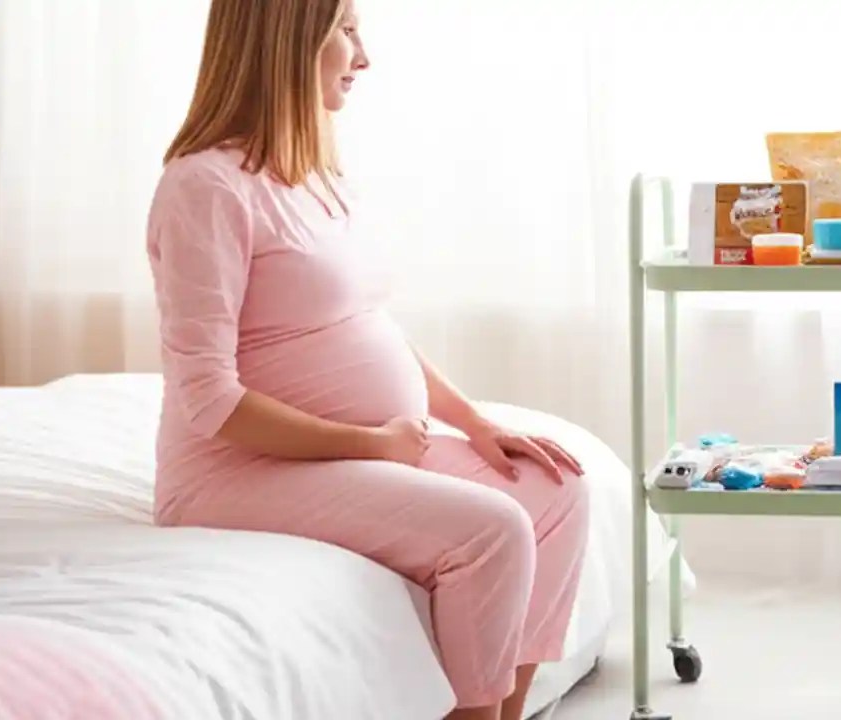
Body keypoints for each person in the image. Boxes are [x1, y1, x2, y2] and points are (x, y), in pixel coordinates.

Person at [144, 1, 589, 719]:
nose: (364, 55)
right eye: (346, 31)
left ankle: (505, 710)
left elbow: (363, 323)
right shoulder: (204, 188)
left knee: (553, 489)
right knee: (491, 529)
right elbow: (209, 399)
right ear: (287, 42)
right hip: (237, 472)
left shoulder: (314, 176)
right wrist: (369, 442)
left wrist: (473, 423)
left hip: (352, 454)